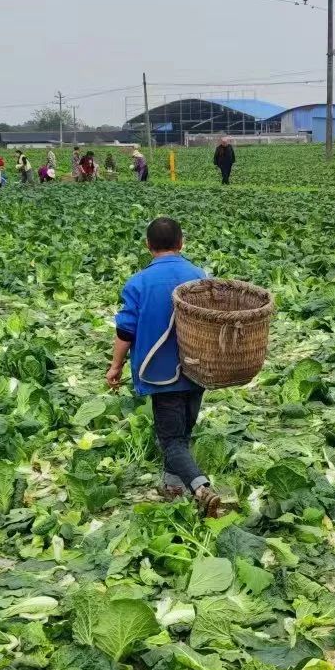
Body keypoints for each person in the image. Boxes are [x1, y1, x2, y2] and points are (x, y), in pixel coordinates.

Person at [107, 216, 223, 516]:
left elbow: (125, 331)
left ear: (148, 245)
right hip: (197, 368)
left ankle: (200, 488)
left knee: (170, 439)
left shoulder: (139, 282)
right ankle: (173, 486)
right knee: (182, 432)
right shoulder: (199, 277)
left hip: (159, 372)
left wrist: (115, 366)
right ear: (181, 243)